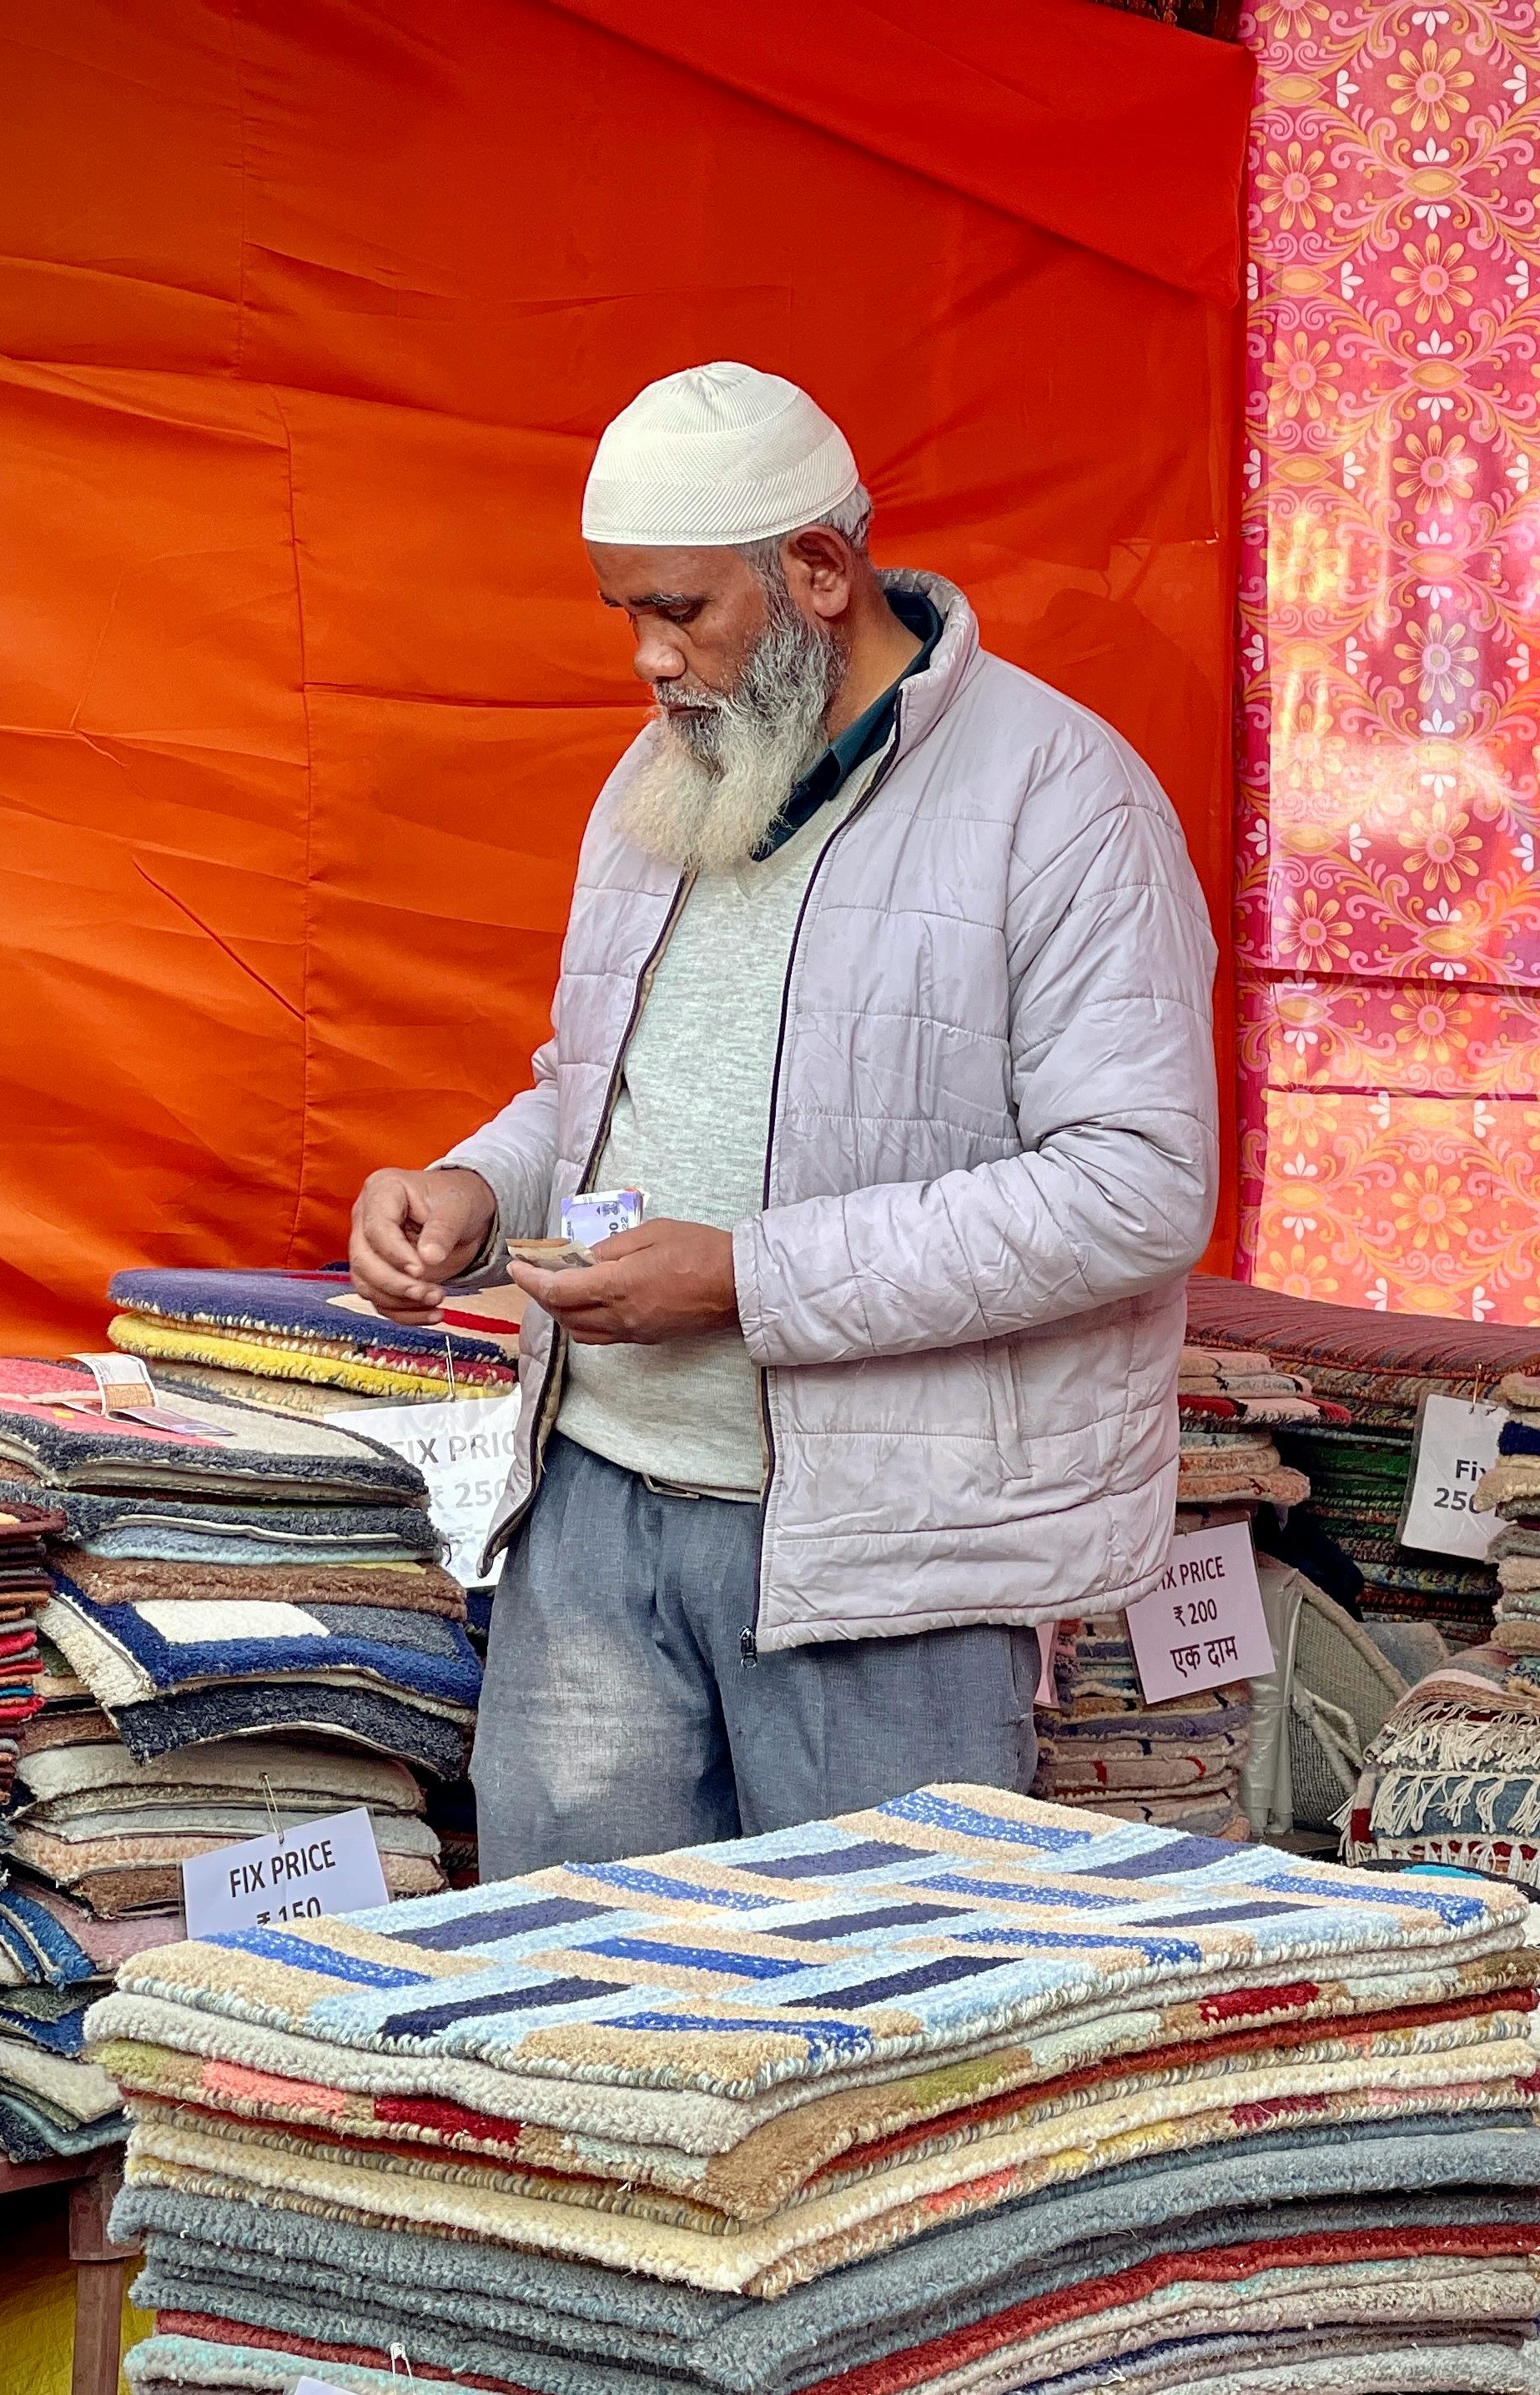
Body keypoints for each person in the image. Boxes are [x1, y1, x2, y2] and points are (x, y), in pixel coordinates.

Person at [345, 361, 1218, 1874]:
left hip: (891, 1561)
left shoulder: (1064, 799)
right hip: (595, 1514)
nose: (647, 659)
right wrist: (479, 1190)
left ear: (818, 569)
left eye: (679, 611)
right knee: (566, 1985)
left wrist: (748, 1281)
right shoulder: (668, 774)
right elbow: (604, 1092)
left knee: (873, 1994)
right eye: (624, 613)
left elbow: (1137, 1186)